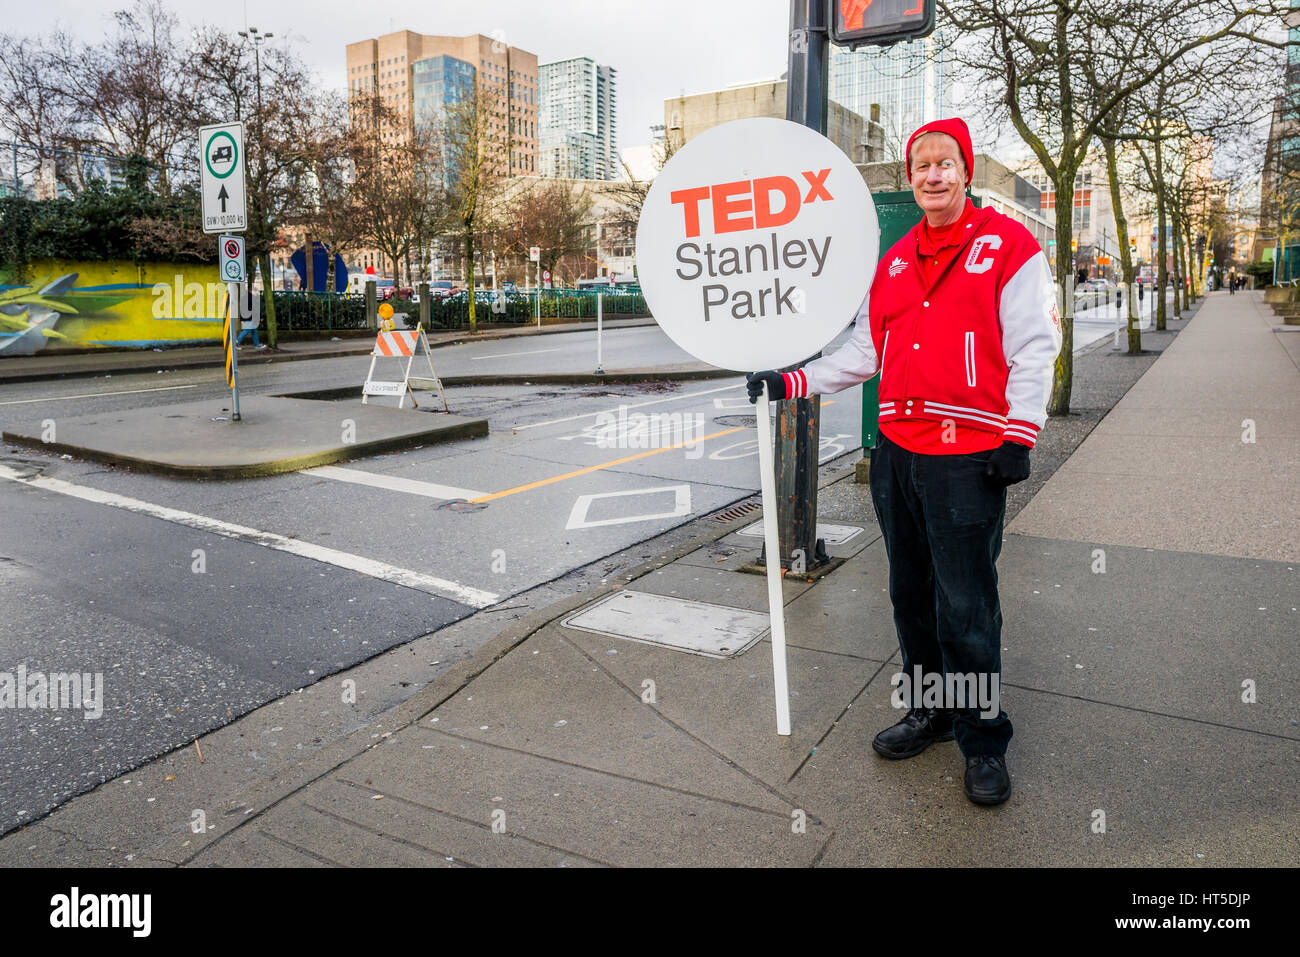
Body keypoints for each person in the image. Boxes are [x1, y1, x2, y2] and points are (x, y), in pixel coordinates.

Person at [747, 117, 1062, 806]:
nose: (932, 174)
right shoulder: (892, 262)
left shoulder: (1009, 246)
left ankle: (983, 738)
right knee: (910, 596)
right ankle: (932, 711)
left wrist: (1020, 434)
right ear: (910, 174)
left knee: (966, 605)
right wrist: (790, 382)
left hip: (968, 458)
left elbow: (1037, 344)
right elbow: (866, 355)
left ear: (965, 171)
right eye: (921, 163)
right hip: (898, 456)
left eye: (945, 163)